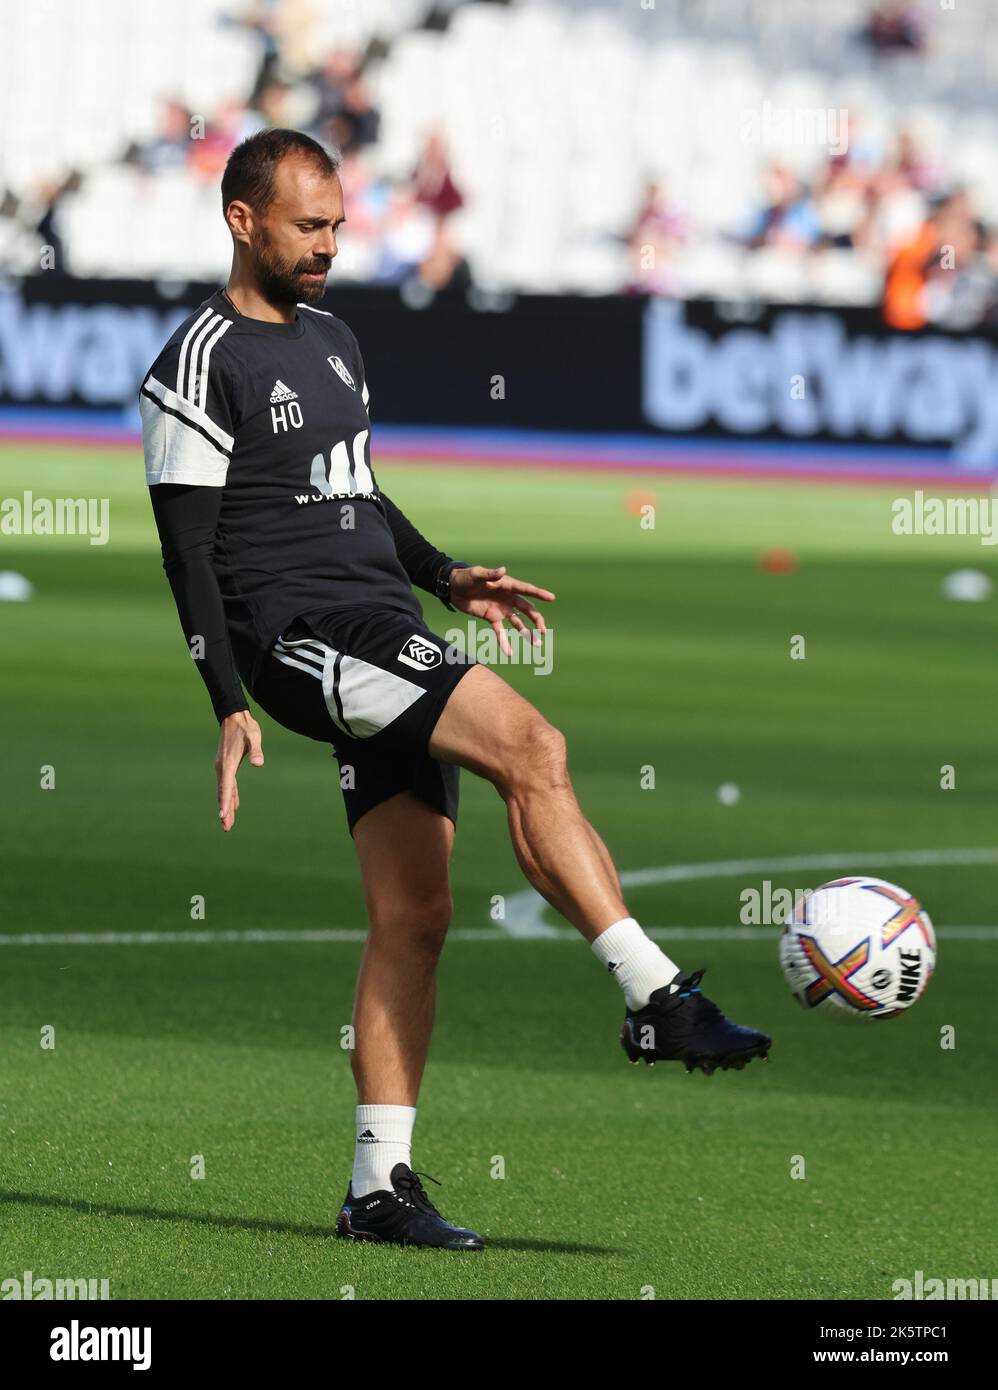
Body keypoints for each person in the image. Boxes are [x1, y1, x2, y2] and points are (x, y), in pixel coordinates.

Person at [139, 128, 771, 1252]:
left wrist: (442, 573)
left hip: (382, 619)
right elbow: (184, 553)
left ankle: (376, 1189)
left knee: (416, 914)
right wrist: (225, 699)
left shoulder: (333, 339)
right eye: (307, 226)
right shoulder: (198, 360)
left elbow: (358, 489)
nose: (330, 244)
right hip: (303, 640)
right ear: (242, 221)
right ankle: (656, 998)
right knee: (534, 744)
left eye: (336, 223)